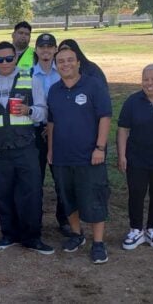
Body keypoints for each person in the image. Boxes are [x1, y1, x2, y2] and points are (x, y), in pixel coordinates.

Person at [0, 42, 51, 254]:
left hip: (25, 147)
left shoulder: (31, 80)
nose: (5, 63)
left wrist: (28, 110)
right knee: (3, 193)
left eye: (9, 58)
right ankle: (9, 234)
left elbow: (44, 113)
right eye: (0, 59)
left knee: (31, 192)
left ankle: (32, 237)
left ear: (15, 58)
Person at [47, 47, 112, 264]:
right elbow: (51, 122)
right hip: (62, 157)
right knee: (68, 198)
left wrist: (100, 148)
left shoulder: (94, 85)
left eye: (69, 60)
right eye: (61, 61)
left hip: (89, 156)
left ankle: (98, 243)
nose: (65, 64)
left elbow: (105, 117)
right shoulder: (54, 90)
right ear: (56, 66)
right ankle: (77, 234)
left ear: (78, 63)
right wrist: (50, 150)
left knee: (94, 199)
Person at [116, 64, 153, 250]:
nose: (149, 83)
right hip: (137, 157)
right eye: (145, 79)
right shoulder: (133, 101)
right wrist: (122, 155)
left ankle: (152, 229)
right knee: (136, 194)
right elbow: (123, 129)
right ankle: (135, 230)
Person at [30, 33, 71, 236]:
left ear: (55, 49)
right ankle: (34, 218)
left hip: (59, 132)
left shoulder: (63, 73)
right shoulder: (26, 74)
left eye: (50, 47)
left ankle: (63, 219)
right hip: (35, 132)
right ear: (36, 50)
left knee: (61, 178)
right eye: (41, 47)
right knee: (34, 178)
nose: (45, 51)